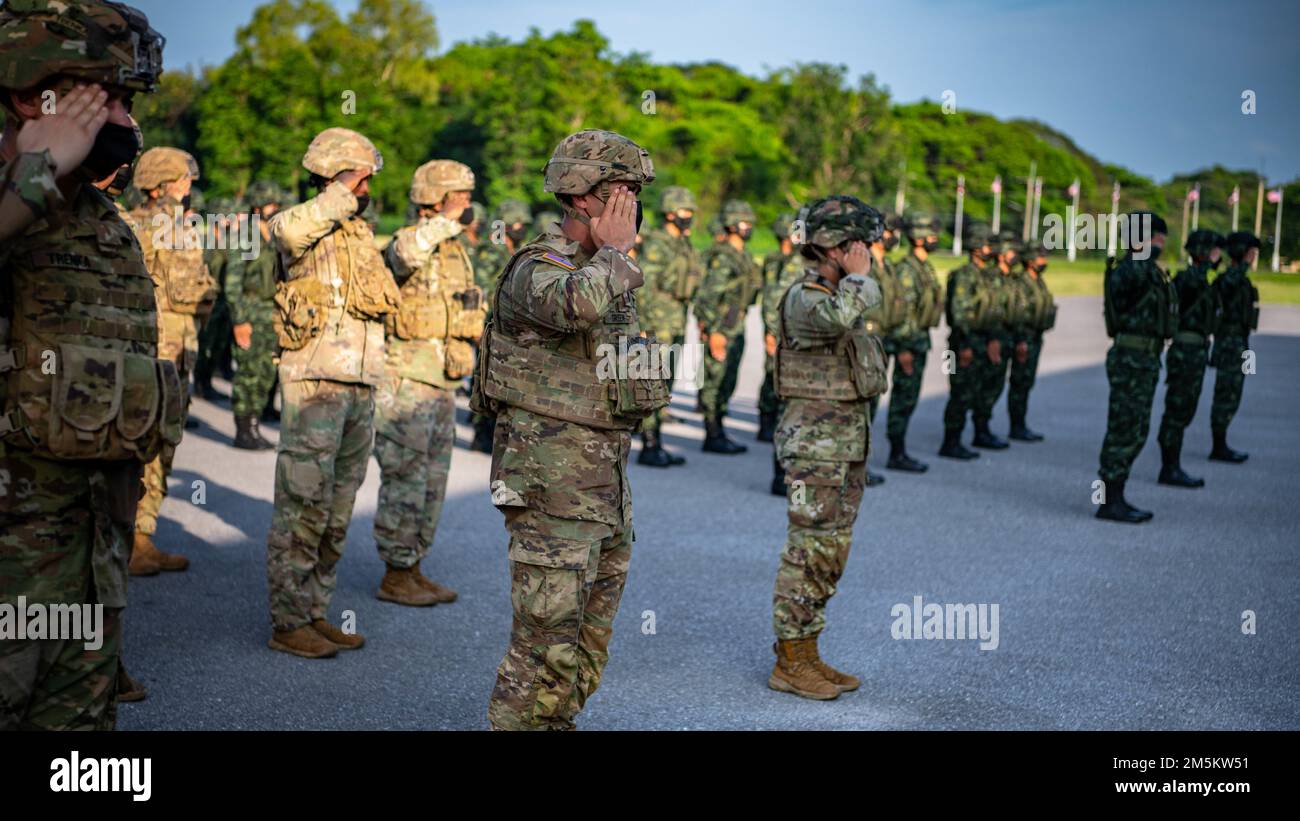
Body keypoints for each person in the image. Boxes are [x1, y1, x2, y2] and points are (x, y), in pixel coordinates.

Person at [0, 0, 169, 730]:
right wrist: (31, 178)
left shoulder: (105, 228)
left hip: (88, 554)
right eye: (112, 99)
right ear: (31, 96)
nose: (131, 126)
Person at [474, 129, 665, 730]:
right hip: (550, 489)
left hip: (603, 486)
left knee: (586, 645)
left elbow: (627, 369)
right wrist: (615, 255)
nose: (632, 206)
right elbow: (573, 307)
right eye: (622, 192)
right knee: (543, 649)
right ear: (582, 197)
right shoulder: (539, 267)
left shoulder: (605, 269)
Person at [265, 127, 399, 657]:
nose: (367, 185)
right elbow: (288, 233)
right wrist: (342, 187)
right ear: (336, 175)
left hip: (360, 385)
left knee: (337, 509)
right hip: (315, 383)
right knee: (302, 505)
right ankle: (287, 620)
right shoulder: (298, 223)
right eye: (360, 175)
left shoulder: (361, 235)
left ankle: (314, 609)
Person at [769, 196, 884, 700]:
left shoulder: (840, 289)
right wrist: (857, 276)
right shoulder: (805, 296)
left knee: (831, 549)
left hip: (843, 443)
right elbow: (840, 318)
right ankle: (790, 661)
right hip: (814, 446)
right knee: (807, 550)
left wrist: (856, 275)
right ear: (833, 246)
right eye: (857, 245)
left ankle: (808, 651)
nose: (867, 254)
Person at [374, 160, 485, 607]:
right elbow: (403, 257)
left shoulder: (456, 248)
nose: (467, 205)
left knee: (433, 479)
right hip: (407, 378)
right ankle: (395, 572)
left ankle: (413, 565)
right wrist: (442, 223)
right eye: (459, 196)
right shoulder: (411, 239)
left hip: (442, 378)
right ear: (435, 200)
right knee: (405, 476)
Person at [125, 147, 217, 575]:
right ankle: (127, 537)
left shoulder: (184, 227)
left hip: (180, 350)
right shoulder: (138, 226)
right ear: (160, 184)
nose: (188, 186)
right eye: (182, 179)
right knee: (141, 442)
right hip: (153, 350)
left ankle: (143, 534)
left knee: (166, 441)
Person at [1096, 212, 1176, 523]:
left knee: (1136, 429)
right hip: (1130, 359)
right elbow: (1133, 278)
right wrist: (1142, 246)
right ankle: (1107, 501)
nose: (1161, 243)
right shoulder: (1130, 269)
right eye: (1156, 236)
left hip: (1144, 360)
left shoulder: (1149, 270)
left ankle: (1116, 496)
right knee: (1123, 430)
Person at [635, 185, 701, 467]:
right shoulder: (657, 243)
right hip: (657, 319)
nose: (688, 216)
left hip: (676, 316)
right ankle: (650, 445)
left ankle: (658, 440)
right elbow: (644, 284)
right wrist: (643, 325)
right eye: (684, 211)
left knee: (667, 381)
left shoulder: (682, 243)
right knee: (653, 380)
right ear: (670, 213)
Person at [1153, 230, 1222, 485]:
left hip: (1196, 352)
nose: (1219, 256)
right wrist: (1205, 262)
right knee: (1177, 409)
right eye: (1214, 251)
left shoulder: (1200, 279)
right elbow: (1192, 281)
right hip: (1185, 352)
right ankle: (1169, 467)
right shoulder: (1188, 278)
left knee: (1185, 409)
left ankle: (1172, 465)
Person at [693, 199, 760, 454]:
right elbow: (708, 296)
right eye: (744, 222)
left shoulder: (742, 256)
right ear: (732, 225)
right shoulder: (724, 257)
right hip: (722, 325)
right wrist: (714, 331)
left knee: (728, 379)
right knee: (715, 380)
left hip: (737, 324)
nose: (748, 227)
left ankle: (719, 428)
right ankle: (712, 432)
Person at [228, 181, 290, 449]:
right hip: (251, 310)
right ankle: (245, 429)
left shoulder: (276, 237)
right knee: (249, 372)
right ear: (256, 207)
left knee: (267, 370)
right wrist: (240, 320)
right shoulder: (247, 235)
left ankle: (257, 419)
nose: (274, 209)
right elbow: (232, 284)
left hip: (272, 311)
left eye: (277, 205)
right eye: (269, 205)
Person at [470, 198, 532, 453]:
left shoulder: (521, 249)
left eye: (522, 223)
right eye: (515, 223)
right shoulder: (492, 249)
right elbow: (481, 286)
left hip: (512, 326)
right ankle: (481, 432)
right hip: (490, 323)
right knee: (485, 378)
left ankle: (499, 431)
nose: (519, 227)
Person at [885, 213, 943, 471]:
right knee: (902, 398)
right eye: (930, 234)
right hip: (908, 343)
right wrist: (905, 348)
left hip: (919, 340)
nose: (935, 238)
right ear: (918, 238)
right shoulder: (907, 270)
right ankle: (896, 452)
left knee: (909, 398)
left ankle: (900, 450)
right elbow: (904, 312)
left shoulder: (924, 267)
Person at [939, 222, 997, 460]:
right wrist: (965, 346)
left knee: (978, 391)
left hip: (979, 342)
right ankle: (950, 442)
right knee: (960, 393)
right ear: (975, 248)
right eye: (987, 245)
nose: (991, 249)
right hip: (963, 344)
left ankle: (978, 433)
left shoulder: (984, 275)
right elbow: (960, 313)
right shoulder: (964, 276)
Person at [760, 213, 807, 494]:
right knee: (788, 411)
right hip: (791, 346)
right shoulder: (796, 264)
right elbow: (774, 300)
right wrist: (774, 335)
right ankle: (781, 475)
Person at [1208, 231, 1261, 463]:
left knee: (1235, 393)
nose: (1253, 257)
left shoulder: (1241, 279)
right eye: (1251, 252)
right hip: (1229, 345)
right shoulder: (1230, 278)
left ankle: (1221, 443)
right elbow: (1229, 282)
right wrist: (1242, 263)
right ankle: (1218, 447)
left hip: (1242, 344)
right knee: (1225, 395)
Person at [1006, 238, 1057, 442]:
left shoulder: (1037, 281)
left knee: (1026, 382)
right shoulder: (1021, 282)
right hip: (1024, 340)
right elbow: (1018, 314)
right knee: (1019, 382)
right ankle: (1016, 426)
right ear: (1029, 259)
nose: (1043, 260)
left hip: (1035, 338)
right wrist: (1021, 342)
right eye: (1040, 256)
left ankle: (1021, 423)